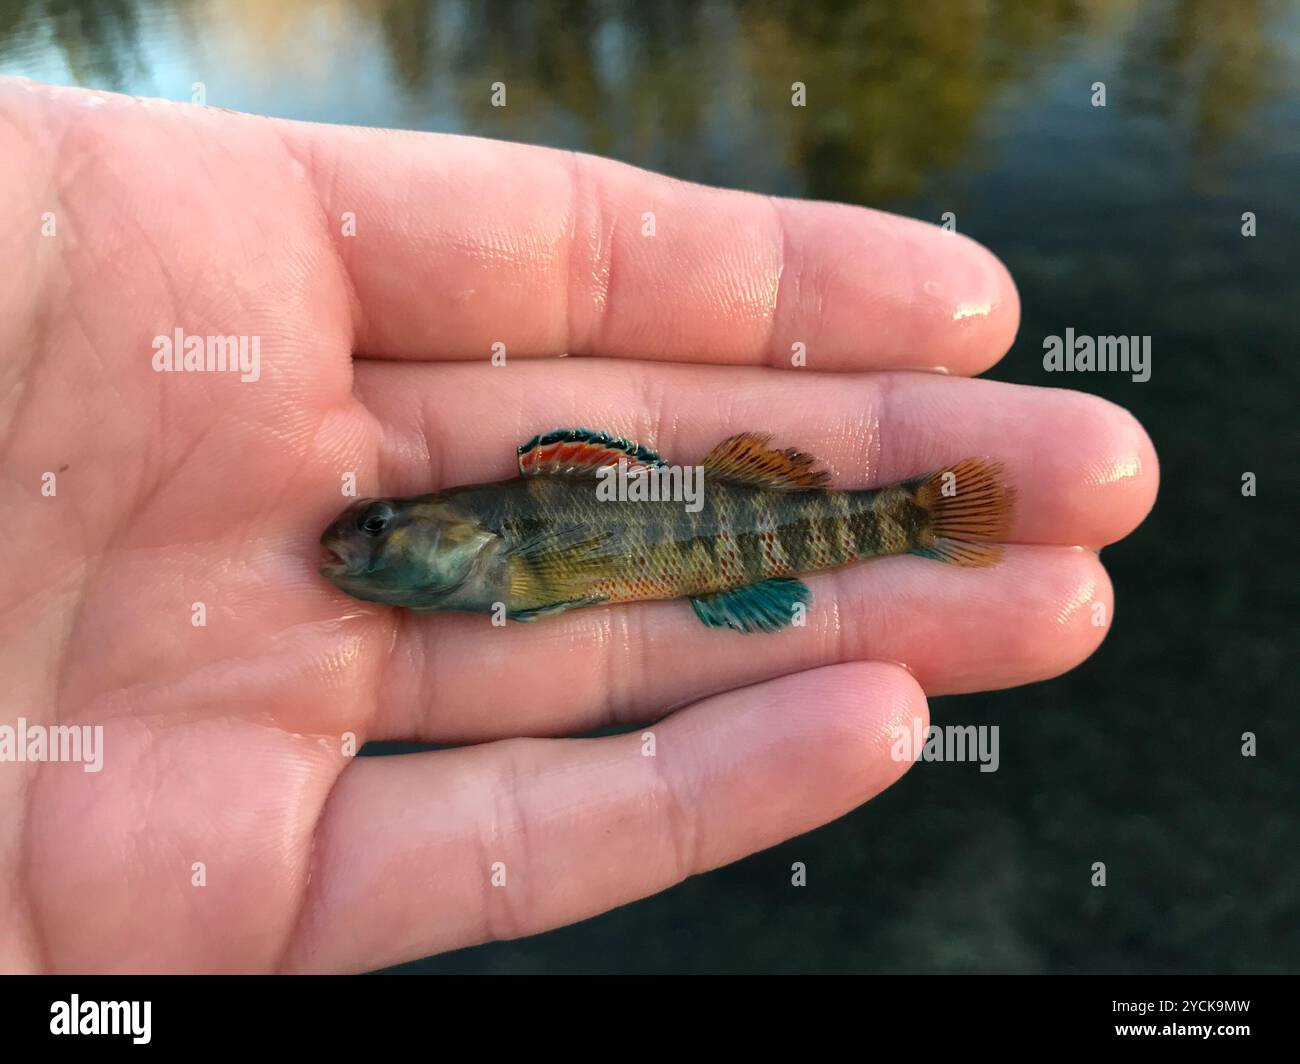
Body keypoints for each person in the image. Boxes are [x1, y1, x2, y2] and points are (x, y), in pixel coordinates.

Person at [0, 80, 1157, 973]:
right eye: (370, 532)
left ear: (452, 531)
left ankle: (917, 515)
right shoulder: (489, 558)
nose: (358, 546)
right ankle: (911, 517)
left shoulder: (513, 546)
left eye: (384, 529)